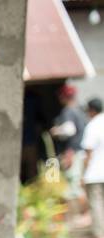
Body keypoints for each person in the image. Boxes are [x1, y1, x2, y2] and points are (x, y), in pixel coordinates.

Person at [50, 84, 87, 222]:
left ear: (64, 97)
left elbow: (69, 130)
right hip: (79, 153)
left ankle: (82, 216)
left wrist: (56, 130)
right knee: (76, 185)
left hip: (71, 153)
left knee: (72, 187)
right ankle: (81, 216)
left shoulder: (68, 111)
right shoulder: (80, 110)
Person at [80, 98, 104, 238]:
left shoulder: (93, 125)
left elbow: (88, 152)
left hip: (95, 173)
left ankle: (100, 235)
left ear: (91, 110)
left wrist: (84, 173)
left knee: (96, 203)